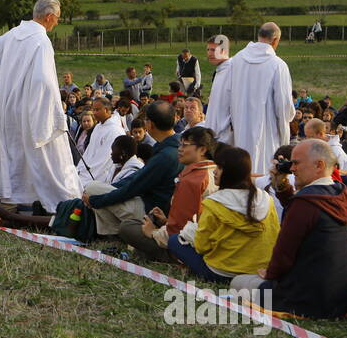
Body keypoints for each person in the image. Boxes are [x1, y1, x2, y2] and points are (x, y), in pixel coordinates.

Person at [231, 138, 347, 318]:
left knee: (238, 282)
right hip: (339, 298)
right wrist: (282, 186)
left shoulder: (306, 203)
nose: (291, 169)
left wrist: (271, 274)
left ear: (319, 165)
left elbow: (284, 253)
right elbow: (303, 210)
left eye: (296, 163)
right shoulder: (340, 192)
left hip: (304, 299)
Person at [0, 0, 80, 212]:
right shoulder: (41, 41)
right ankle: (57, 201)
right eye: (57, 19)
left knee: (17, 152)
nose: (57, 23)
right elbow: (42, 81)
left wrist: (0, 86)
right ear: (49, 16)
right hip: (33, 107)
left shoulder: (16, 33)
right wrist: (53, 112)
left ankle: (17, 198)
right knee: (46, 154)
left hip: (10, 105)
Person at [180, 145, 279, 283]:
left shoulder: (214, 203)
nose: (214, 171)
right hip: (260, 269)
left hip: (222, 272)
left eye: (219, 168)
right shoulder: (266, 199)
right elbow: (274, 235)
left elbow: (202, 247)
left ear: (230, 172)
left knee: (174, 241)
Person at [119, 125, 217, 263]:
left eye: (185, 145)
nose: (180, 149)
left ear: (202, 149)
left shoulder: (193, 180)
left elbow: (178, 229)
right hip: (204, 240)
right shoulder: (214, 171)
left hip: (187, 246)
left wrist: (153, 232)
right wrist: (166, 221)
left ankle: (169, 257)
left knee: (127, 227)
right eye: (180, 145)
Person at [82, 100, 181, 236]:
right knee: (101, 189)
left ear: (150, 124)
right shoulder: (174, 146)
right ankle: (117, 231)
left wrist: (96, 200)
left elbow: (132, 188)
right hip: (152, 204)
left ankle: (117, 232)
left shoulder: (165, 156)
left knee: (92, 188)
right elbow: (135, 179)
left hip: (151, 210)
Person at [214, 22, 293, 179]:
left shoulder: (235, 60)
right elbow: (283, 107)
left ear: (259, 36)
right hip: (268, 133)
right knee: (265, 176)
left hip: (239, 131)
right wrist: (284, 141)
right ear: (276, 40)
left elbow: (225, 98)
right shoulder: (278, 65)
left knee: (241, 173)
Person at [75, 96, 125, 183]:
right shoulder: (98, 126)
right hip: (89, 169)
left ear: (106, 110)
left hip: (102, 173)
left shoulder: (114, 130)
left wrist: (87, 175)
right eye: (93, 109)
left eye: (97, 110)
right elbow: (89, 151)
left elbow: (105, 159)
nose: (94, 113)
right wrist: (80, 168)